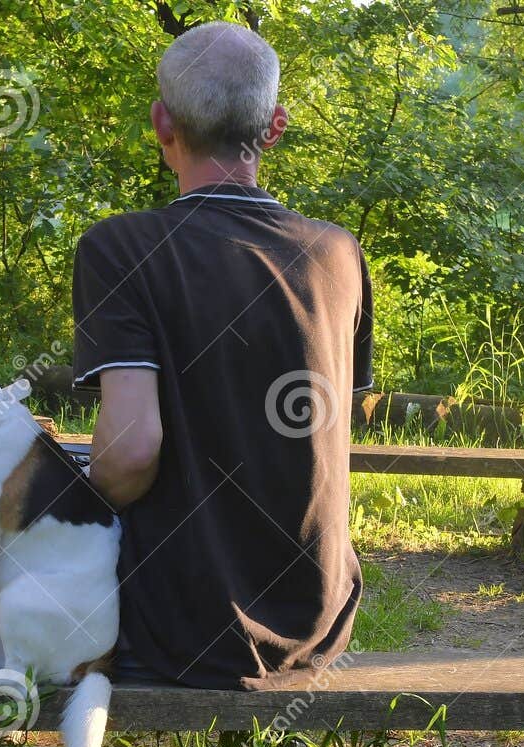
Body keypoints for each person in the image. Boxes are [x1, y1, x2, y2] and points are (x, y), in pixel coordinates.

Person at [71, 20, 373, 690]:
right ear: (275, 128)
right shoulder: (337, 253)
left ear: (161, 124)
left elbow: (130, 454)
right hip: (318, 624)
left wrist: (64, 496)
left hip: (178, 630)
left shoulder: (118, 249)